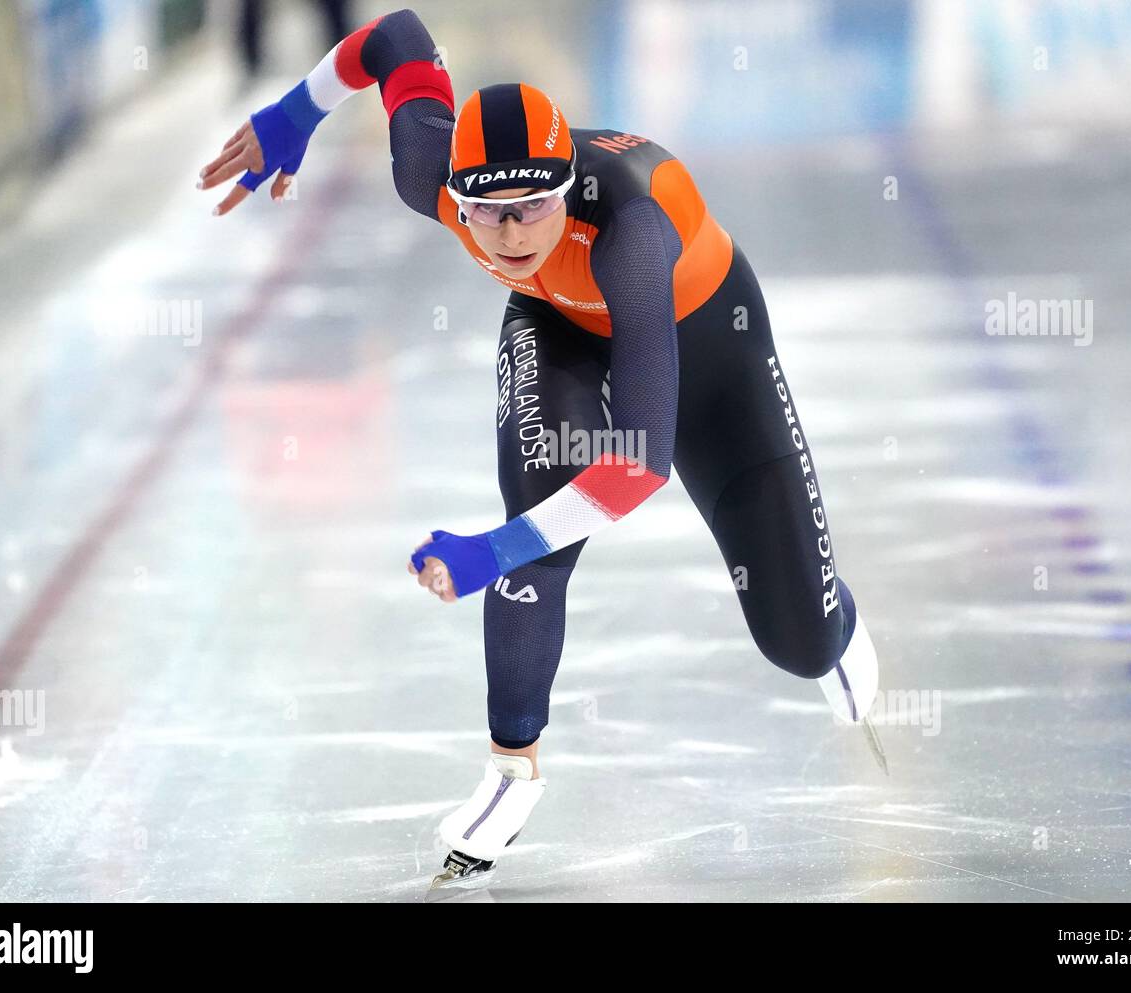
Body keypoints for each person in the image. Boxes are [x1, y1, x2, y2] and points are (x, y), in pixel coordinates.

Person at [198, 8, 882, 886]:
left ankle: (831, 620)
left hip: (704, 344)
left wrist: (491, 553)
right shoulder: (428, 173)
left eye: (533, 211)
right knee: (541, 519)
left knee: (797, 642)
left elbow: (640, 463)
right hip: (558, 326)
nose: (513, 237)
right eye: (488, 215)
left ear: (567, 192)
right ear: (458, 193)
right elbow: (397, 37)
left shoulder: (630, 233)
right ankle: (509, 768)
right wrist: (298, 110)